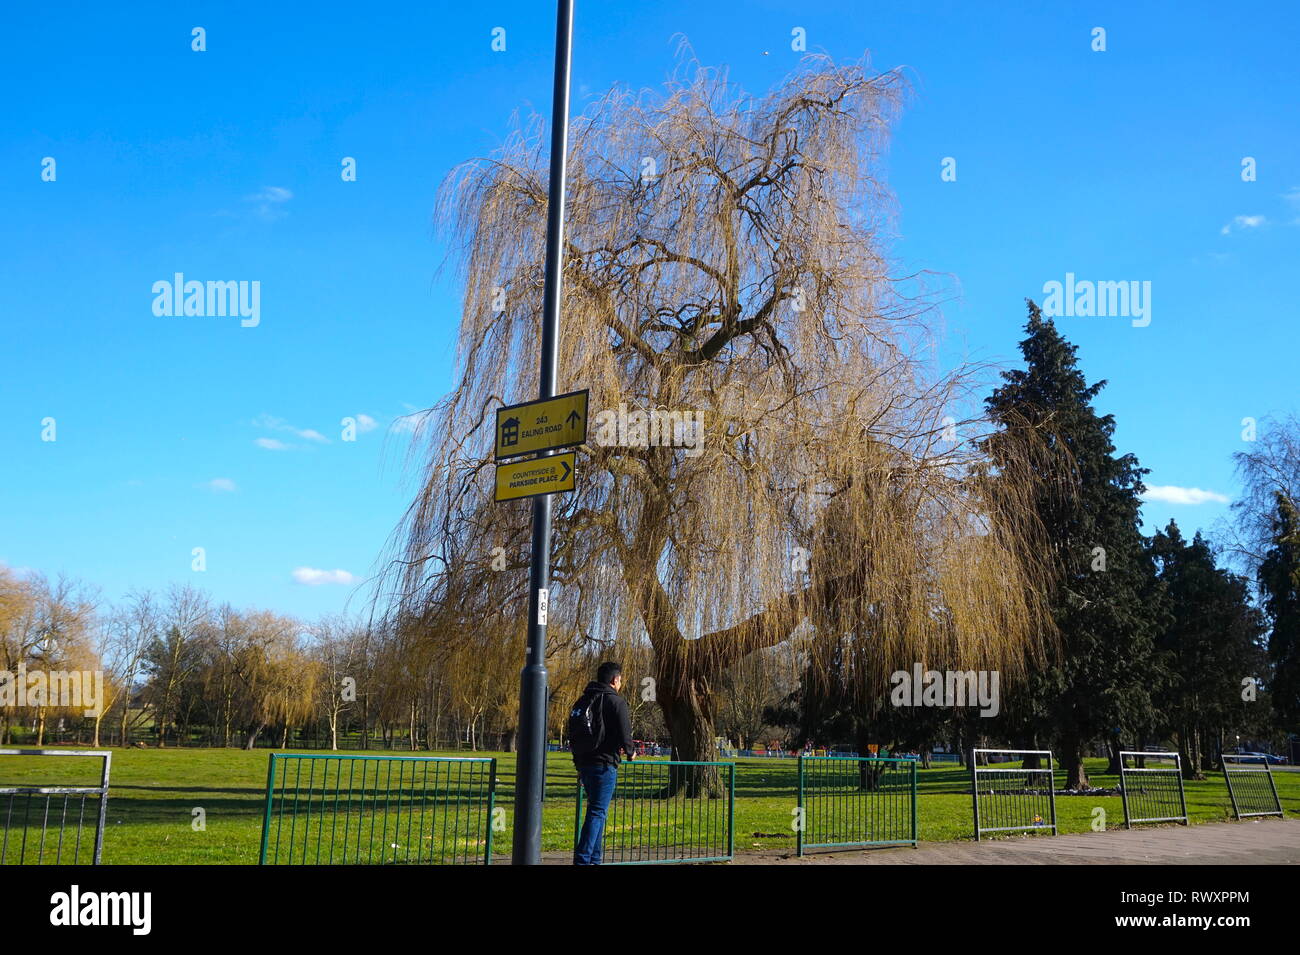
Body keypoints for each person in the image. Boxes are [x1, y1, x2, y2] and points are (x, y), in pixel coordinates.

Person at [570, 661, 636, 865]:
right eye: (620, 679)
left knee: (597, 812)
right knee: (597, 813)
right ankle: (582, 860)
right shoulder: (616, 702)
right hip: (605, 764)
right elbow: (626, 734)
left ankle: (594, 860)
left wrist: (579, 764)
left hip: (585, 763)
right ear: (615, 680)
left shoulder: (584, 699)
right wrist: (631, 752)